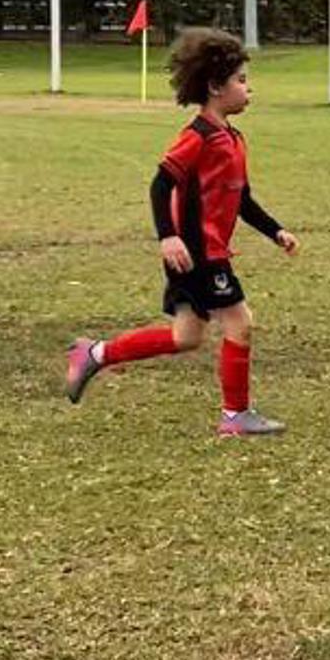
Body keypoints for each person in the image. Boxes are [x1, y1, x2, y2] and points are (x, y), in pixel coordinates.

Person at [65, 28, 300, 435]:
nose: (249, 89)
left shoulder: (234, 138)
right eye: (241, 81)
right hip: (197, 253)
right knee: (240, 323)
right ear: (214, 87)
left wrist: (275, 231)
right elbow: (160, 184)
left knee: (186, 336)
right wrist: (168, 236)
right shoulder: (198, 137)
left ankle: (95, 354)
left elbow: (242, 199)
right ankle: (235, 416)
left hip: (203, 254)